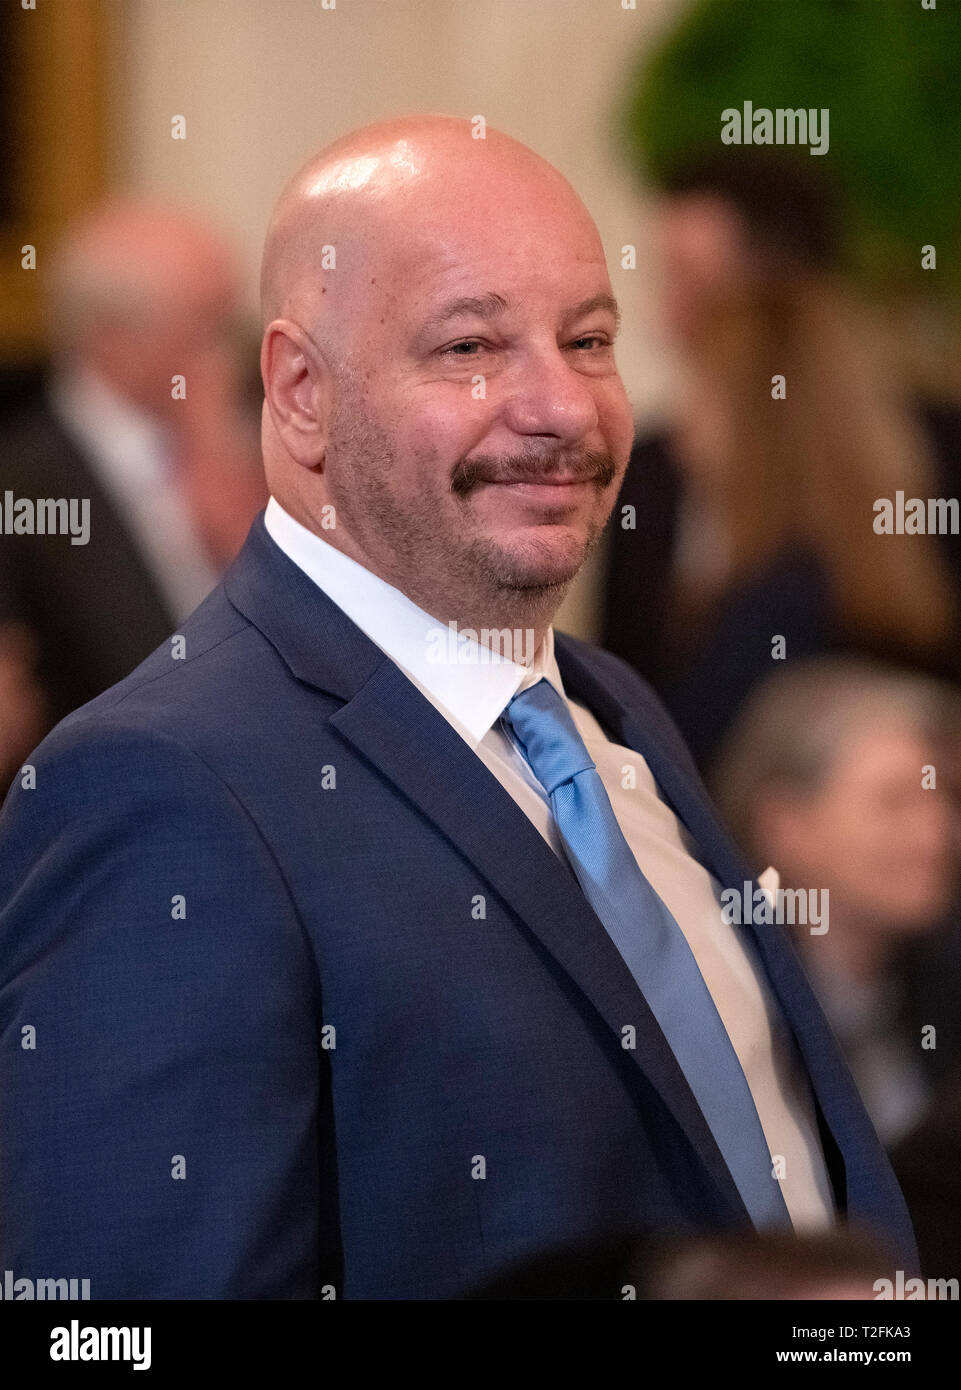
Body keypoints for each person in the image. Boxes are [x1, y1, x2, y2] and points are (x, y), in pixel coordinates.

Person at [0, 117, 918, 1300]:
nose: (560, 407)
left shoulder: (613, 705)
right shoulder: (159, 788)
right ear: (299, 390)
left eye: (588, 339)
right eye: (470, 346)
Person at [0, 201, 267, 729]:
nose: (231, 353)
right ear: (108, 336)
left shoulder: (258, 442)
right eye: (205, 327)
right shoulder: (21, 487)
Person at [709, 657, 961, 1148]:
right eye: (895, 801)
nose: (939, 834)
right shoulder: (731, 1014)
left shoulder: (942, 1000)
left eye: (945, 798)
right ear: (786, 825)